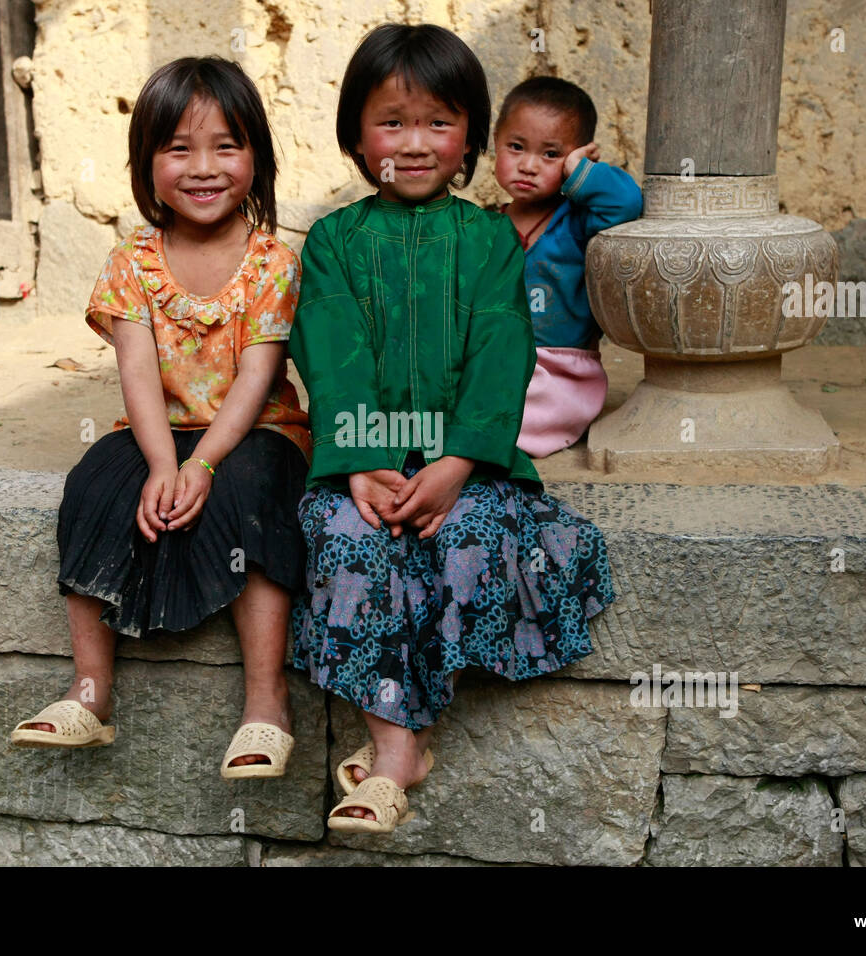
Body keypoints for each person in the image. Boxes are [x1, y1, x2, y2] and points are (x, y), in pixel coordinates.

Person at [288, 23, 617, 834]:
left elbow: (505, 350)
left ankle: (396, 754)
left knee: (468, 542)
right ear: (356, 137)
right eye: (391, 122)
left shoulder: (487, 240)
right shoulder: (335, 241)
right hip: (364, 467)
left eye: (438, 122)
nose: (414, 143)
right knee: (349, 543)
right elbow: (332, 353)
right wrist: (362, 462)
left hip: (469, 466)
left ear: (471, 132)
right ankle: (400, 752)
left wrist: (461, 459)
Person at [10, 56, 312, 782]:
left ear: (257, 159)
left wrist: (203, 464)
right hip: (161, 431)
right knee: (92, 482)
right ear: (147, 165)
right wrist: (159, 464)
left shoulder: (272, 262)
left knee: (254, 495)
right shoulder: (132, 262)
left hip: (257, 427)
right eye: (179, 148)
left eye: (226, 146)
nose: (203, 167)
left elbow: (258, 374)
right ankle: (90, 691)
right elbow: (137, 371)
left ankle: (266, 705)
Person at [493, 76, 643, 458]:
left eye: (550, 154)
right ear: (495, 143)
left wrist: (580, 171)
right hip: (494, 363)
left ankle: (483, 439)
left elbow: (625, 202)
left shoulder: (576, 223)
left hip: (559, 372)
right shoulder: (485, 226)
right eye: (515, 147)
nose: (528, 165)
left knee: (512, 420)